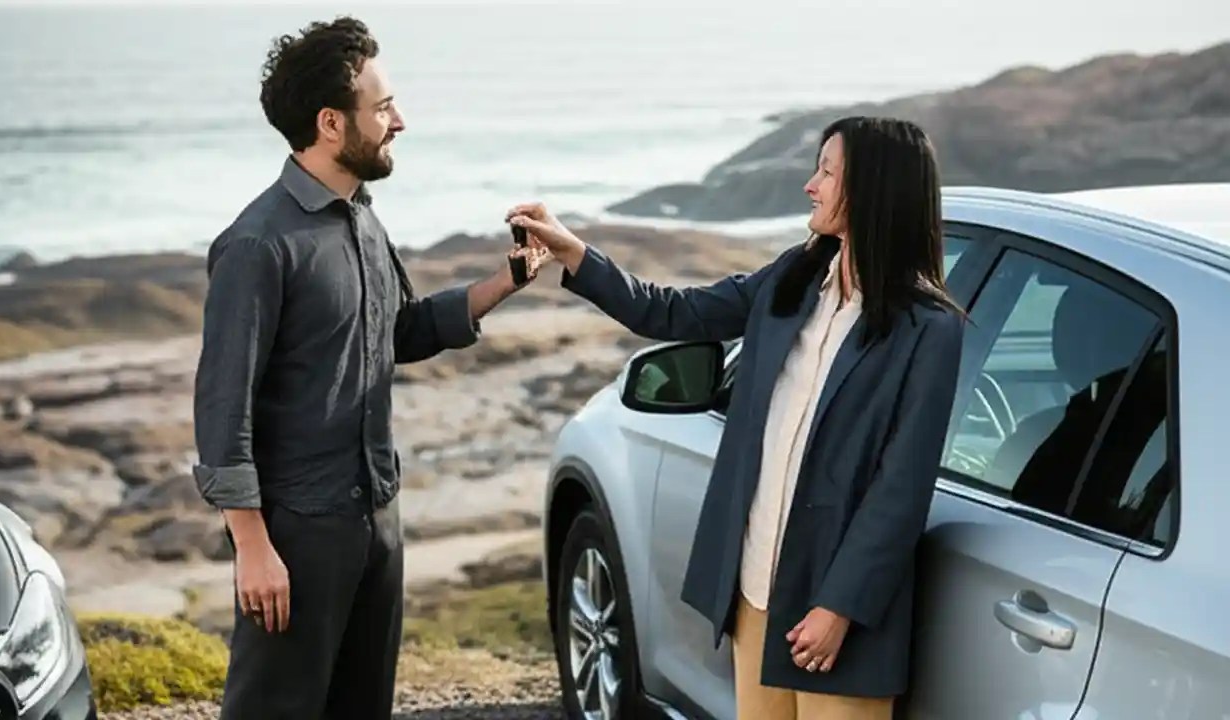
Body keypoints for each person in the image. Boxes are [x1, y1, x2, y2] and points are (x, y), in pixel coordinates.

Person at [508, 116, 966, 719]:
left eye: (827, 171)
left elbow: (900, 490)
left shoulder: (928, 331)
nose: (810, 185)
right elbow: (672, 313)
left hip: (837, 614)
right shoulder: (792, 281)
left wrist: (840, 609)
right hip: (755, 592)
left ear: (874, 190)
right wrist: (576, 253)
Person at [191, 16, 542, 720]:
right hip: (296, 533)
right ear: (330, 122)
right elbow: (222, 408)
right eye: (382, 108)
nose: (399, 121)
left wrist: (503, 283)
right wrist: (252, 545)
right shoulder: (258, 245)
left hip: (377, 516)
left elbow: (400, 330)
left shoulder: (361, 218)